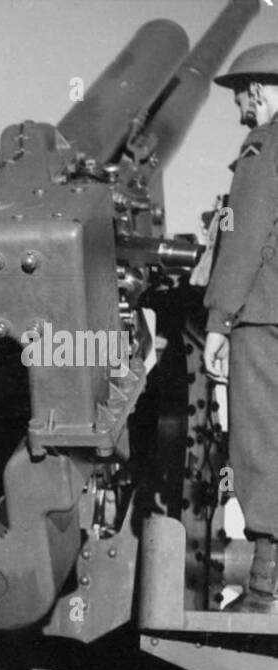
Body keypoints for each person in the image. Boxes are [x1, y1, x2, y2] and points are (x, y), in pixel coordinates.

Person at [204, 44, 278, 613]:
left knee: (260, 443)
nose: (238, 110)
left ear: (258, 90)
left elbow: (244, 238)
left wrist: (218, 320)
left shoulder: (262, 148)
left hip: (265, 314)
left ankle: (262, 587)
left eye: (239, 96)